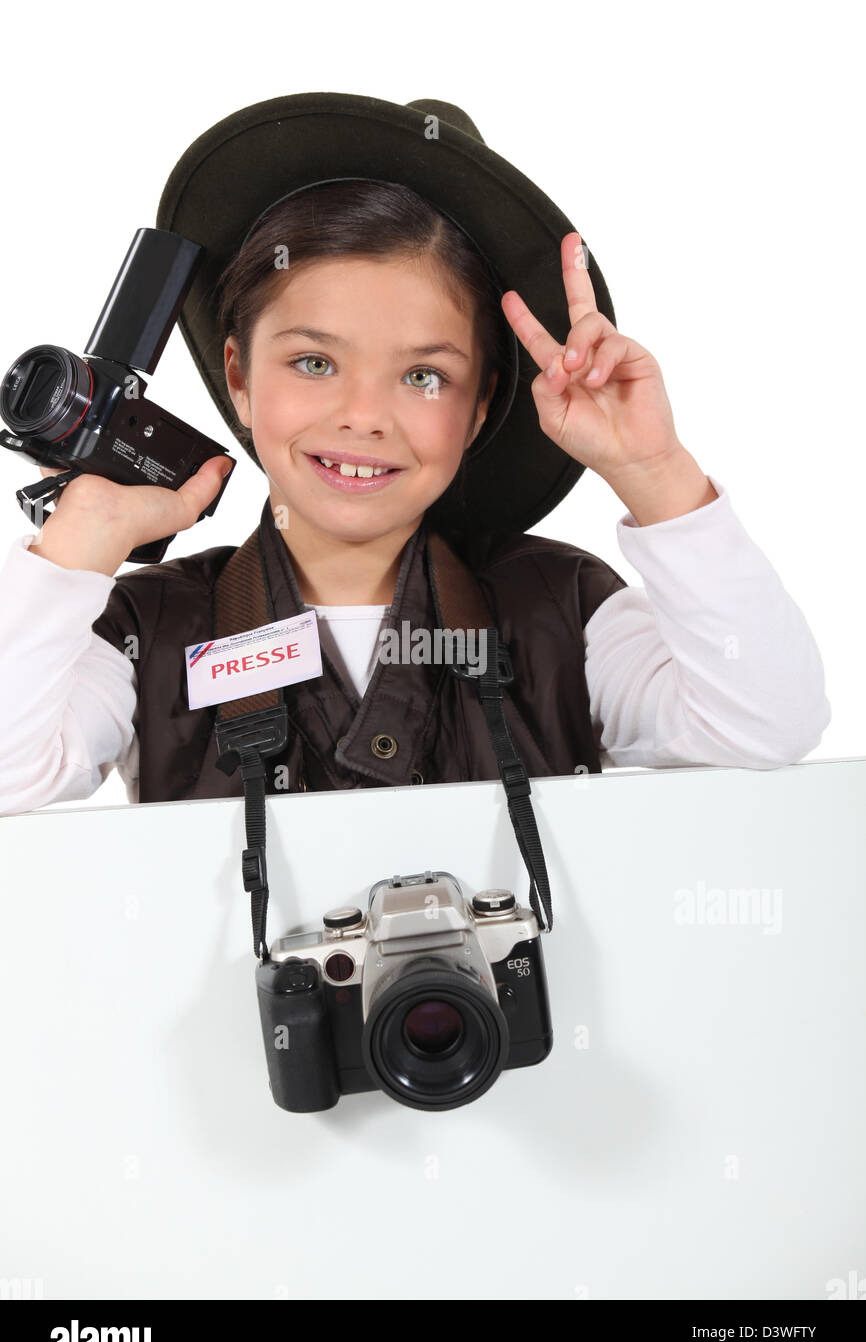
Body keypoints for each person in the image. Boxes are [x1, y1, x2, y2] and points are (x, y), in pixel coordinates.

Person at [0, 93, 830, 818]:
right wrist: (82, 536)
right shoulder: (148, 627)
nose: (364, 416)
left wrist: (653, 471)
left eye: (425, 375)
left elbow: (766, 724)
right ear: (238, 377)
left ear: (480, 410)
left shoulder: (561, 609)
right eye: (314, 362)